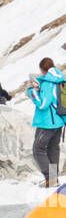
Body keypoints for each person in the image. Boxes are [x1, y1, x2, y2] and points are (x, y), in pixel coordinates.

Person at [27, 57, 66, 186]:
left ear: (43, 70)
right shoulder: (59, 78)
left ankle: (51, 178)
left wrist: (32, 91)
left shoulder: (48, 82)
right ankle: (53, 179)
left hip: (48, 122)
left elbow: (43, 104)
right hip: (59, 120)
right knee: (53, 149)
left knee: (37, 148)